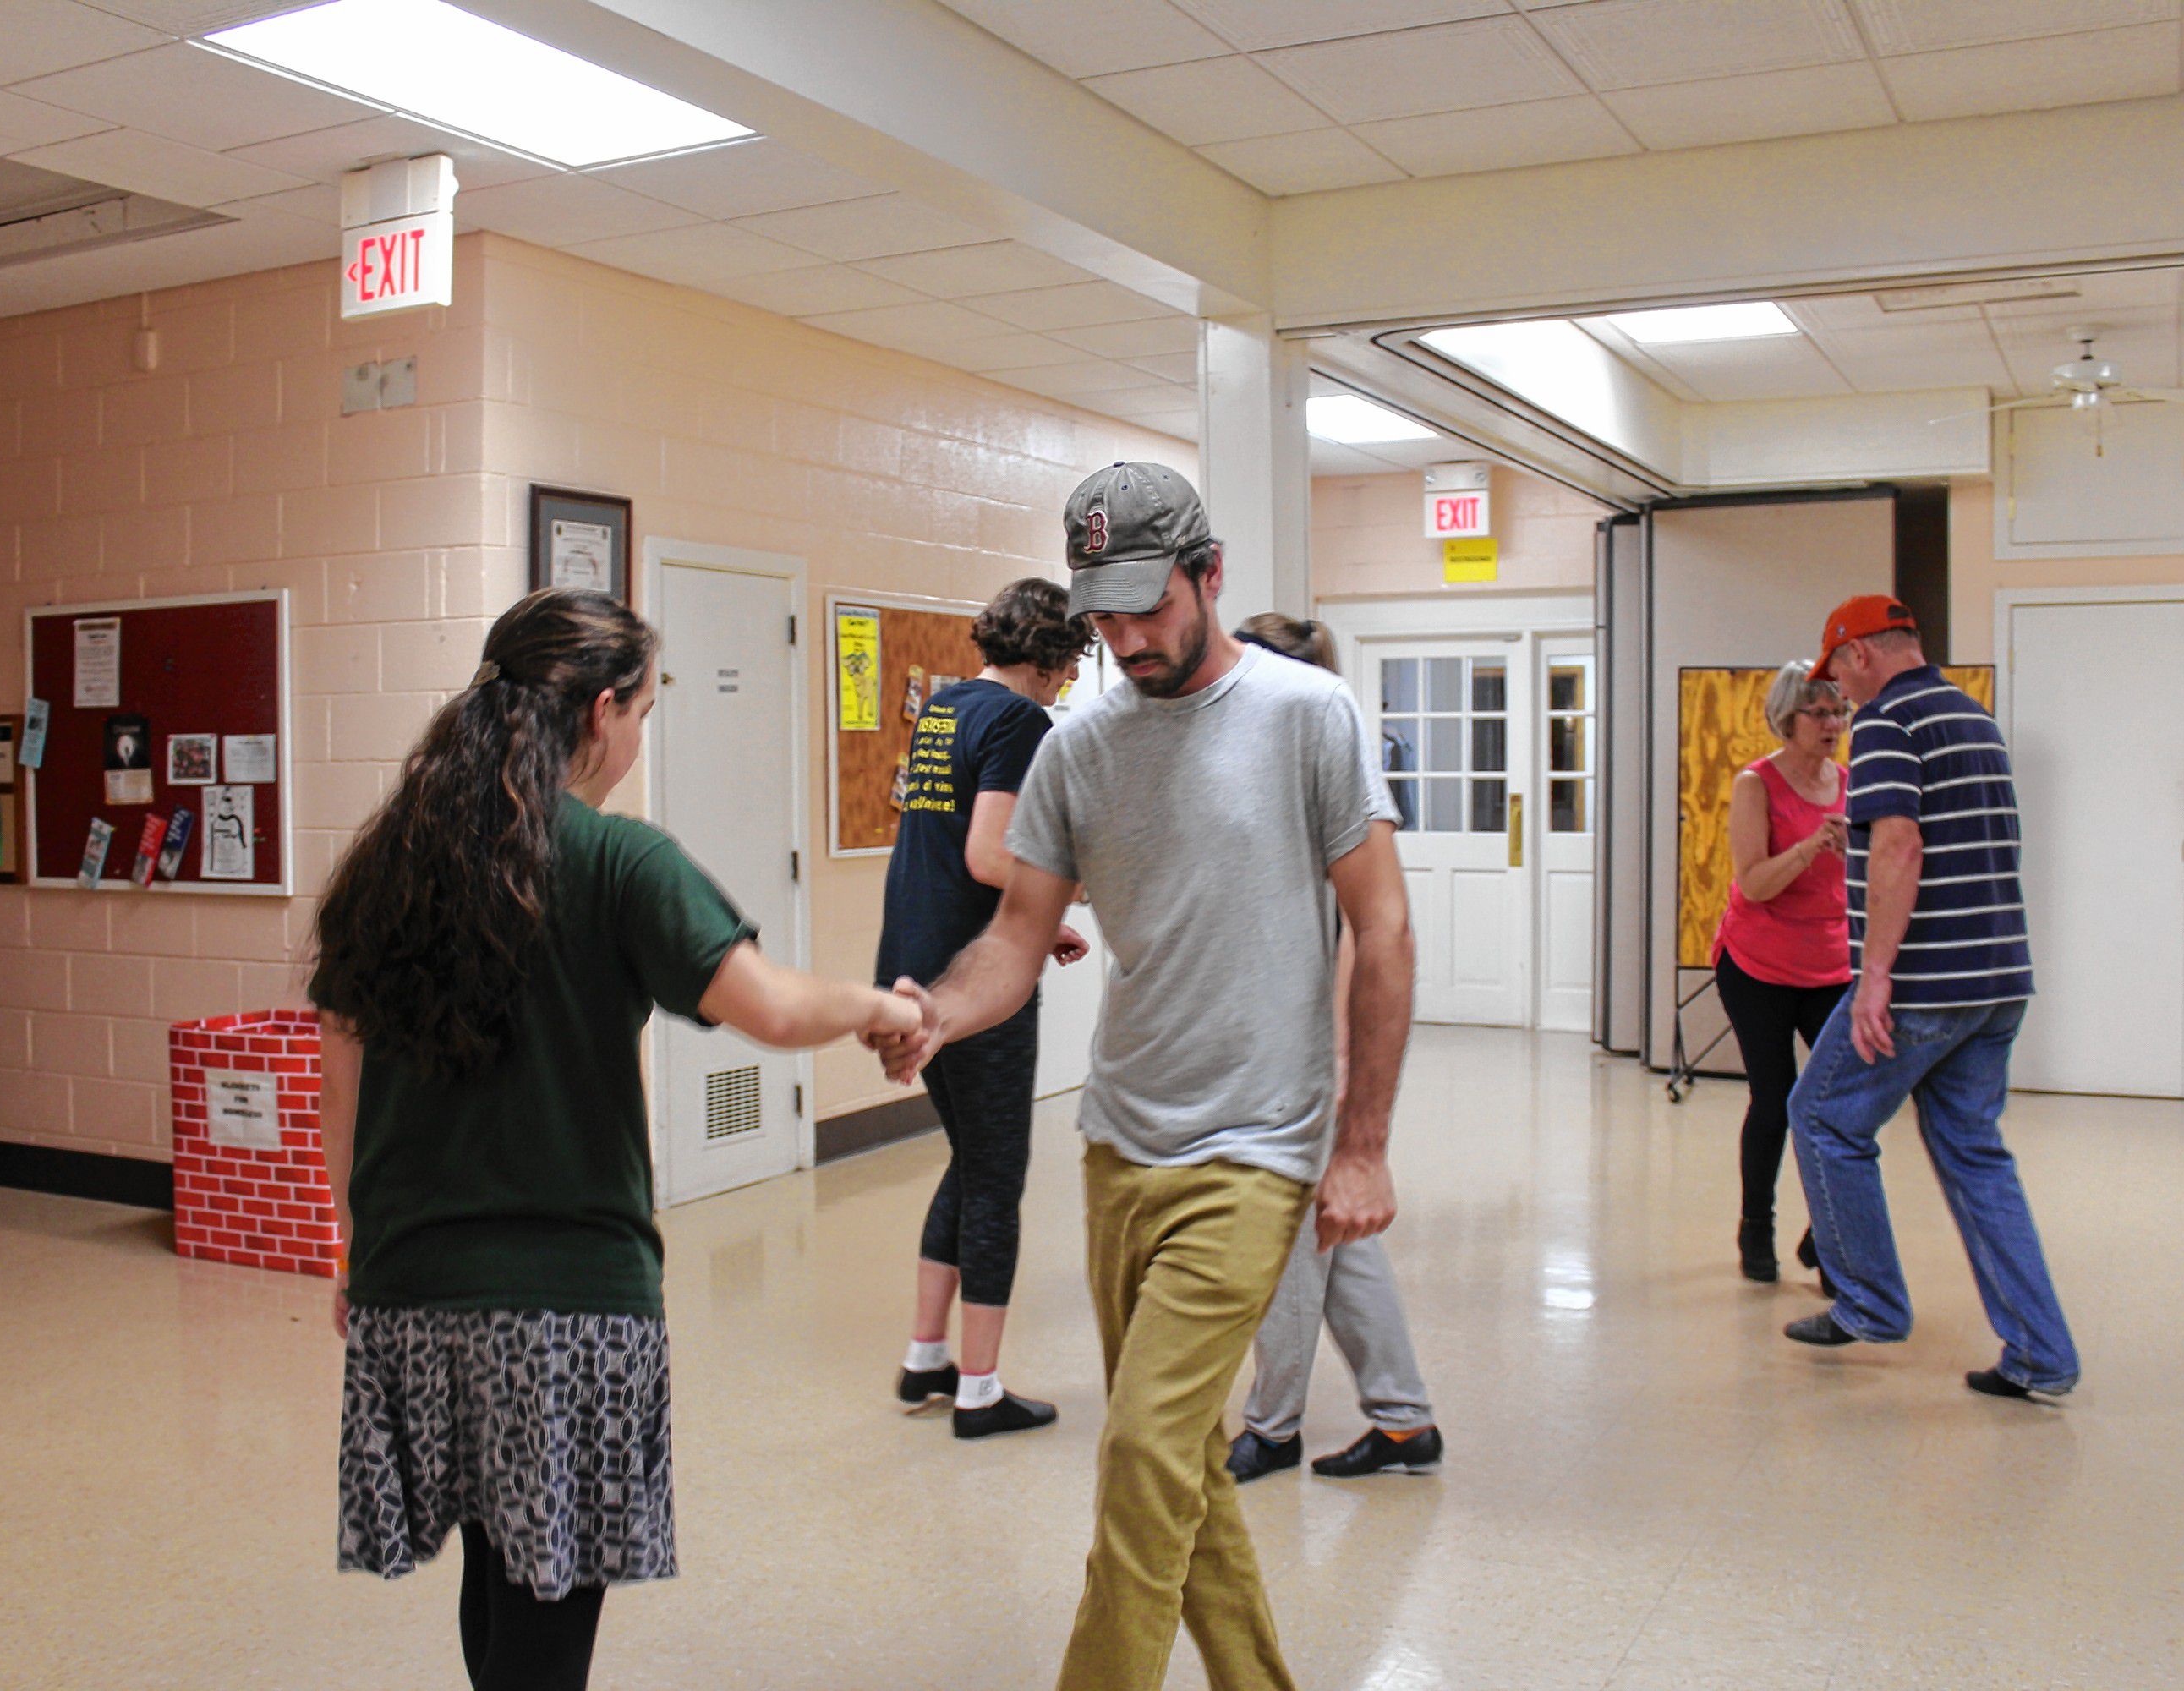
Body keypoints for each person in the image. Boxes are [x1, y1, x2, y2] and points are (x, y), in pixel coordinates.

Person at [309, 588, 919, 1691]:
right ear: (601, 714)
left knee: (495, 1570)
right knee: (547, 1609)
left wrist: (359, 1249)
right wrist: (881, 1008)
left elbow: (337, 1077)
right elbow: (772, 1009)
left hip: (411, 1293)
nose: (640, 734)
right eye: (642, 710)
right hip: (563, 1309)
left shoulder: (392, 859)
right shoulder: (618, 861)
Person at [869, 462, 1415, 1691]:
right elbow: (1015, 940)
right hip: (1123, 1148)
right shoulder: (1077, 749)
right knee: (1180, 1464)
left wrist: (1363, 1142)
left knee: (1139, 1460)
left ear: (1209, 576)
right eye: (1100, 618)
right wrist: (938, 1013)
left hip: (1257, 1149)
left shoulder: (1306, 715)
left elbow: (1381, 929)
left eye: (1145, 607)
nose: (1122, 639)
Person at [1781, 594, 2082, 1402]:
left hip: (1924, 983)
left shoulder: (1887, 722)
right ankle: (2040, 1355)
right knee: (1977, 1160)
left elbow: (1900, 844)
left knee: (1820, 1115)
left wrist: (1875, 976)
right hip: (1996, 980)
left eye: (1837, 673)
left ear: (1862, 655)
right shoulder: (1974, 717)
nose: (1839, 696)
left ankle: (1869, 1304)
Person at [1223, 613, 1442, 1484]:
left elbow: (1366, 928)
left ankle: (1272, 1424)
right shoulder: (1256, 770)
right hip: (1260, 1042)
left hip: (1308, 1053)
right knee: (1338, 1234)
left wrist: (1345, 1057)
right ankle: (1402, 1416)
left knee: (1282, 1236)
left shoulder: (1323, 769)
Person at [879, 577, 1093, 1439]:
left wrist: (1044, 931)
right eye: (1072, 659)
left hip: (913, 964)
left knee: (968, 1159)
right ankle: (981, 1389)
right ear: (1048, 656)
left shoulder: (947, 707)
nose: (1070, 676)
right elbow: (991, 854)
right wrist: (1077, 890)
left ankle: (925, 1354)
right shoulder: (1021, 721)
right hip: (976, 980)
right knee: (997, 1172)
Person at [1713, 661, 1852, 1283]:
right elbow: (1755, 883)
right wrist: (1811, 846)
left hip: (1832, 963)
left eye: (1839, 711)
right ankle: (1756, 1228)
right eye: (1818, 712)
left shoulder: (1852, 782)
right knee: (1776, 1100)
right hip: (1758, 963)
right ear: (1787, 718)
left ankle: (1826, 1235)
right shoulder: (1756, 784)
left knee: (1837, 1106)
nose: (1832, 724)